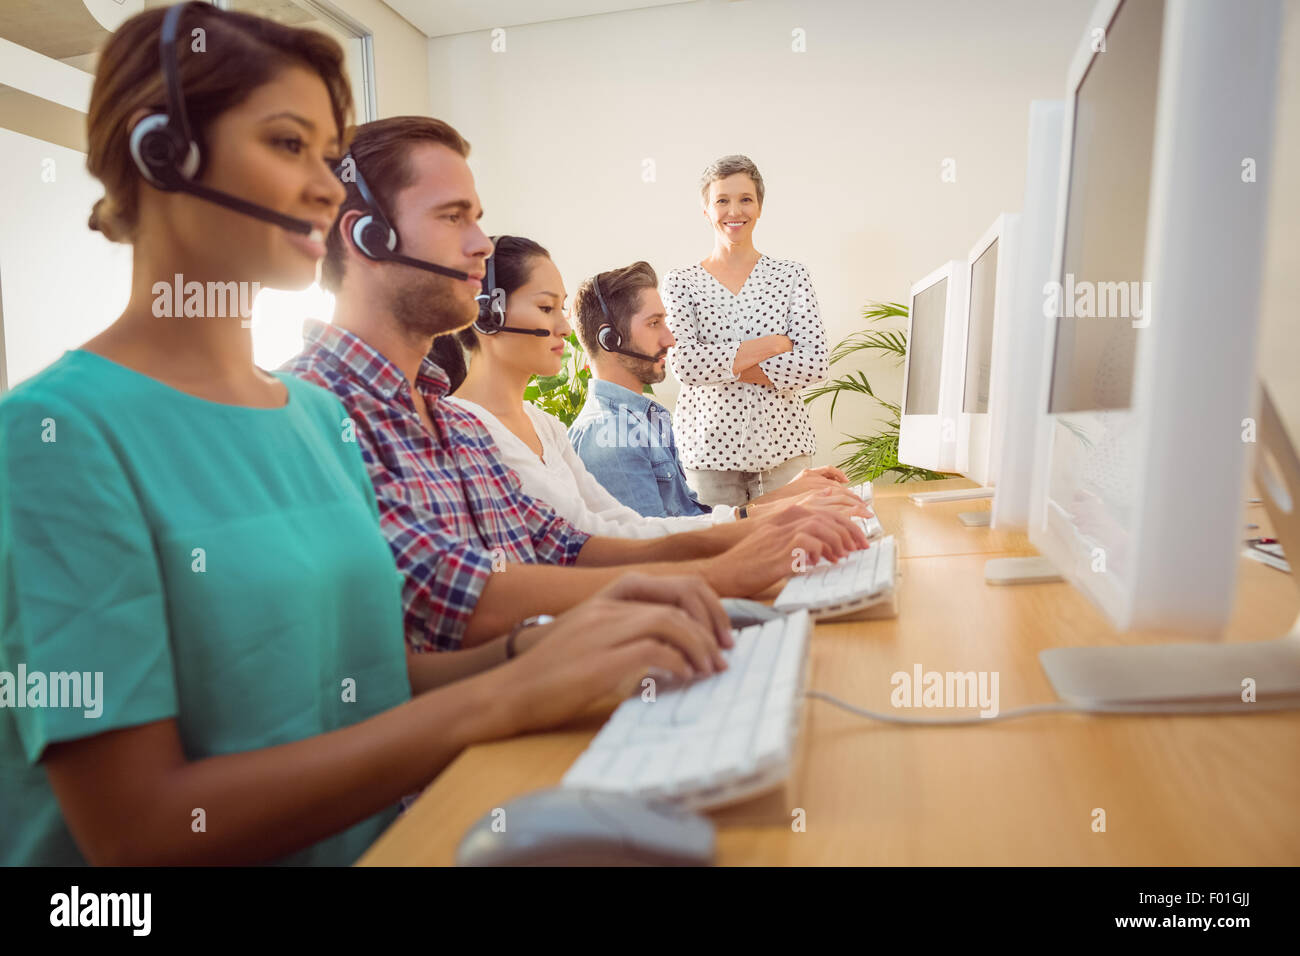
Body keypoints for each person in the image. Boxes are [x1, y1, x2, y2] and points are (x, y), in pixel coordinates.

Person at [0, 3, 734, 866]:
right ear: (162, 153)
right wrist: (508, 695)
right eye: (287, 144)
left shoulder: (311, 419)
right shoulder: (54, 436)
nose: (325, 185)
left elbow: (365, 688)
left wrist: (543, 648)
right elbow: (139, 830)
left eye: (326, 154)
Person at [283, 117, 868, 654]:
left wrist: (756, 526)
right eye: (453, 216)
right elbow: (456, 603)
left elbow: (569, 546)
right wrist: (725, 563)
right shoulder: (309, 414)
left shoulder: (450, 420)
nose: (482, 244)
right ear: (367, 239)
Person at [446, 235, 872, 538]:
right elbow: (646, 551)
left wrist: (786, 500)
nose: (671, 338)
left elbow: (641, 529)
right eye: (545, 308)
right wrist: (777, 522)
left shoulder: (552, 426)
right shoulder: (601, 433)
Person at [569, 260, 849, 520]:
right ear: (609, 339)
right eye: (654, 323)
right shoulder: (610, 434)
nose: (670, 339)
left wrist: (790, 495)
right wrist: (782, 509)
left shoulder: (646, 419)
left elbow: (695, 520)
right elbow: (658, 547)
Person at [662, 154, 830, 508]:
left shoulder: (791, 276)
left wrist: (724, 367)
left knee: (789, 554)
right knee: (720, 556)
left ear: (759, 207)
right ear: (706, 210)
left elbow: (814, 364)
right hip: (707, 456)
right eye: (721, 200)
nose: (734, 211)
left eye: (745, 199)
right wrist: (772, 345)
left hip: (784, 452)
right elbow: (686, 366)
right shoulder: (680, 283)